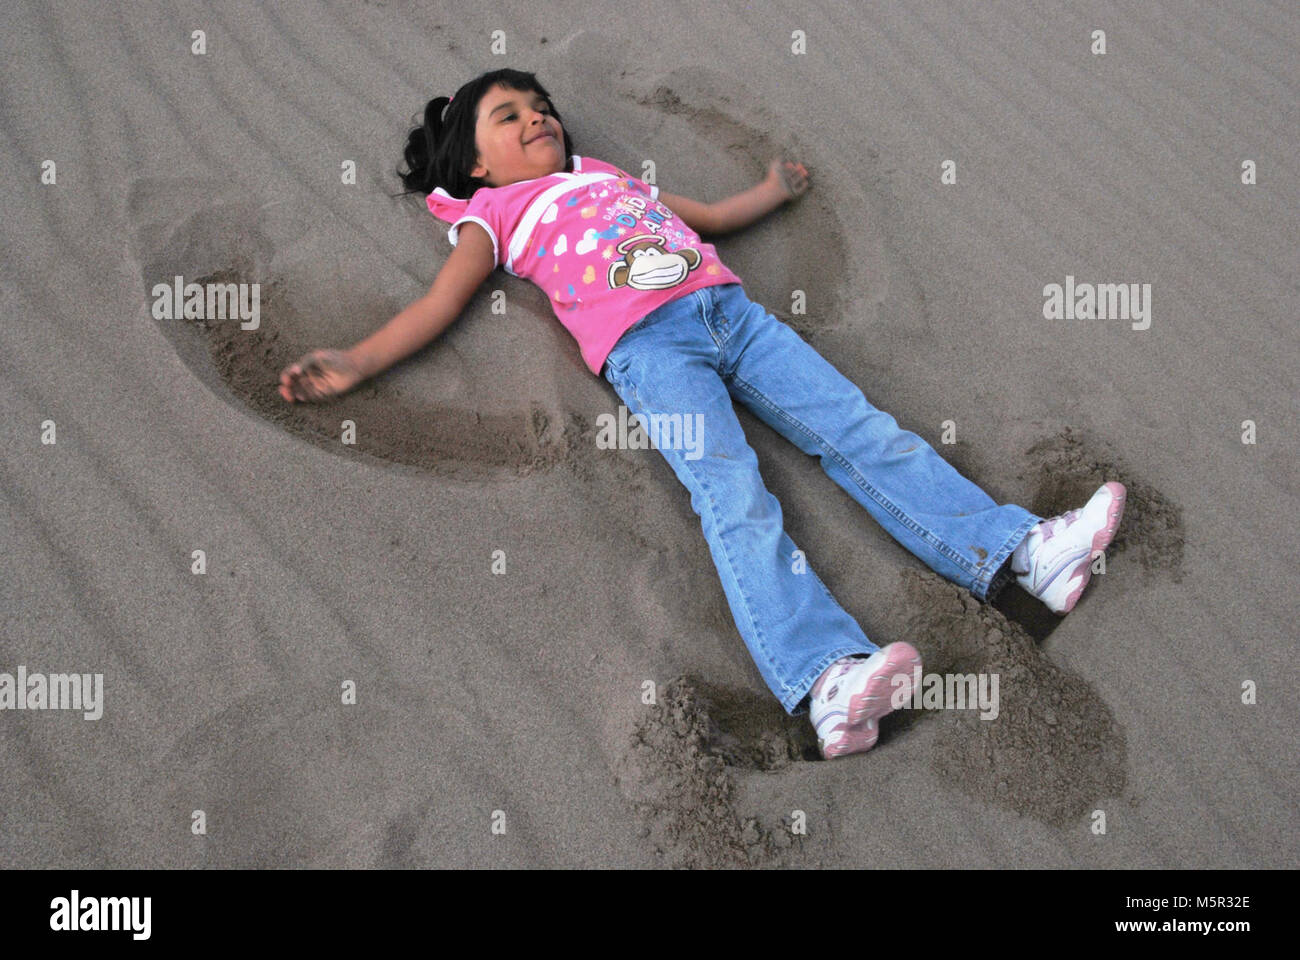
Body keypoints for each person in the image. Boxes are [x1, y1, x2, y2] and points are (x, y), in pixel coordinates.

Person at [278, 69, 1127, 760]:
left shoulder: (601, 177)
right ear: (474, 167)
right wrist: (355, 360)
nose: (539, 118)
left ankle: (1021, 552)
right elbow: (438, 305)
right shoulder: (494, 217)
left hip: (735, 316)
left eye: (543, 107)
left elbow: (709, 218)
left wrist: (770, 190)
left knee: (863, 430)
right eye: (510, 116)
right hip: (649, 351)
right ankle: (828, 677)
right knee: (736, 495)